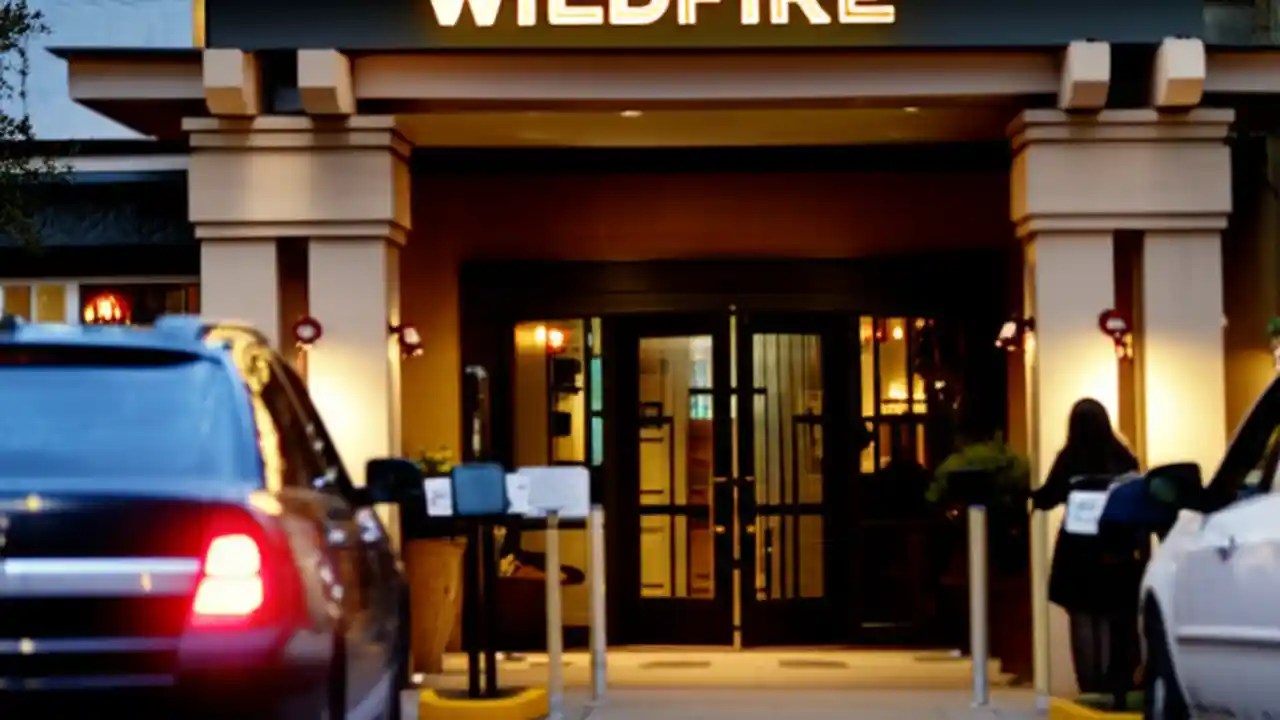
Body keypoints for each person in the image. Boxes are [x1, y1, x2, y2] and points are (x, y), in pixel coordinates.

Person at [1035, 398, 1141, 708]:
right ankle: (1110, 685)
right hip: (1113, 548)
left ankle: (1088, 688)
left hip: (1077, 551)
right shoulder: (1123, 458)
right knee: (1110, 616)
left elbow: (1048, 496)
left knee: (1082, 617)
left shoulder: (1069, 458)